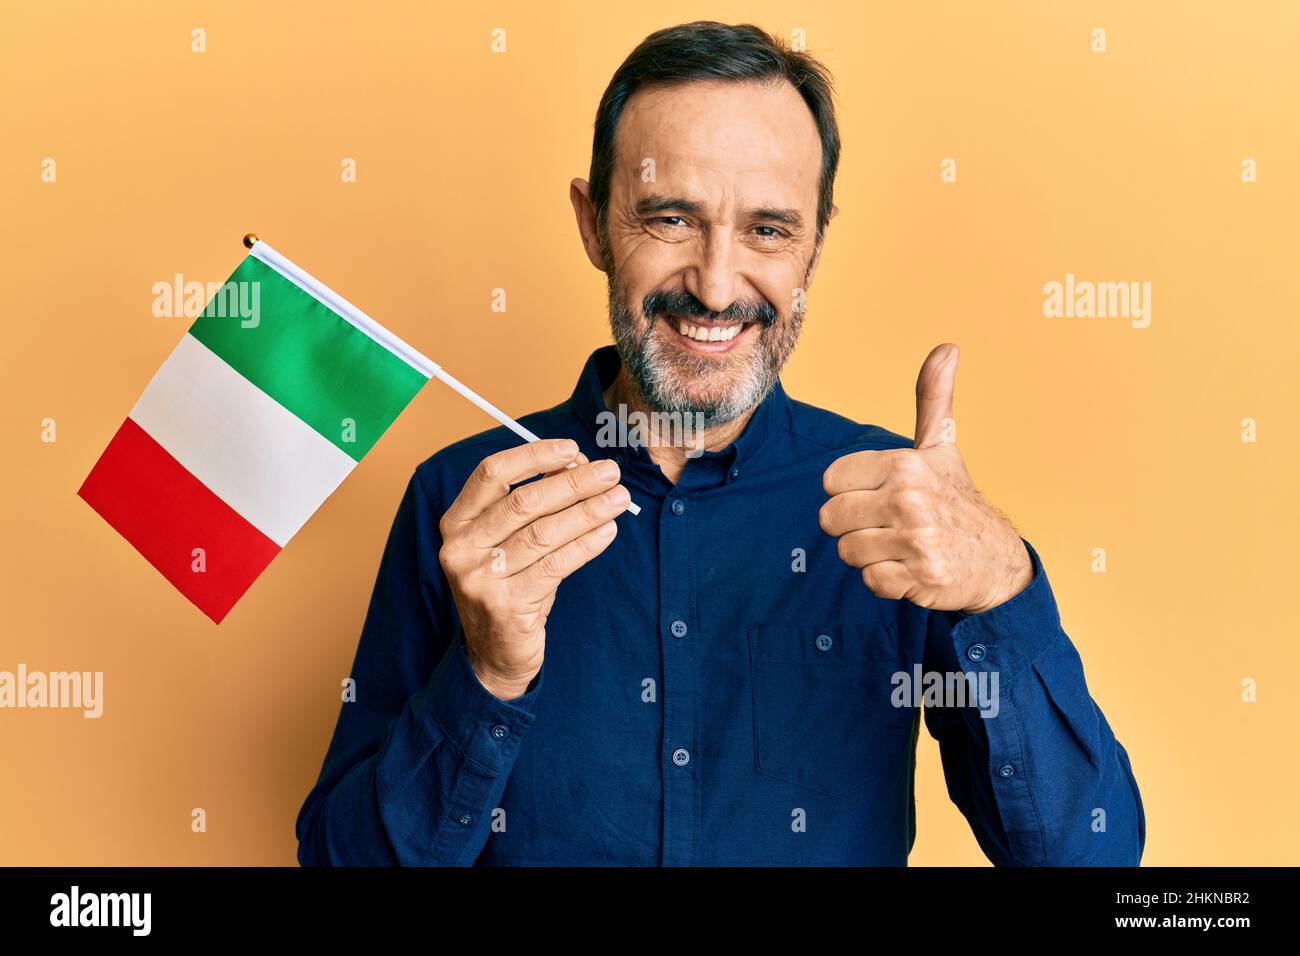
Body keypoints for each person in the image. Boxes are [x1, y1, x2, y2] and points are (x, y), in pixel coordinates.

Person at [296, 20, 1144, 866]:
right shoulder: (465, 504)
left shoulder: (899, 509)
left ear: (815, 243)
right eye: (671, 218)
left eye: (769, 230)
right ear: (594, 227)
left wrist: (1001, 584)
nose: (715, 284)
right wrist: (485, 677)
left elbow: (1088, 859)